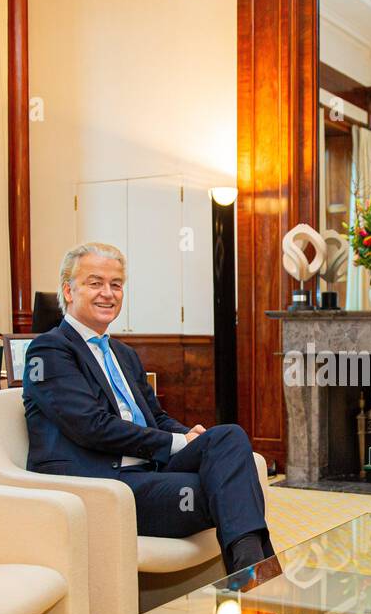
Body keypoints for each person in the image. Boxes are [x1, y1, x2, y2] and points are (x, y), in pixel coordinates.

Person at [23, 242, 275, 577]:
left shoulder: (123, 354)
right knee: (226, 489)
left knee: (229, 436)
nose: (108, 294)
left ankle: (252, 578)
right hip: (104, 483)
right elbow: (92, 426)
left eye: (116, 285)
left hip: (148, 469)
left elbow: (155, 418)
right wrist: (176, 445)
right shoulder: (50, 350)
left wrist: (185, 434)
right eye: (95, 283)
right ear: (69, 291)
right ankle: (259, 581)